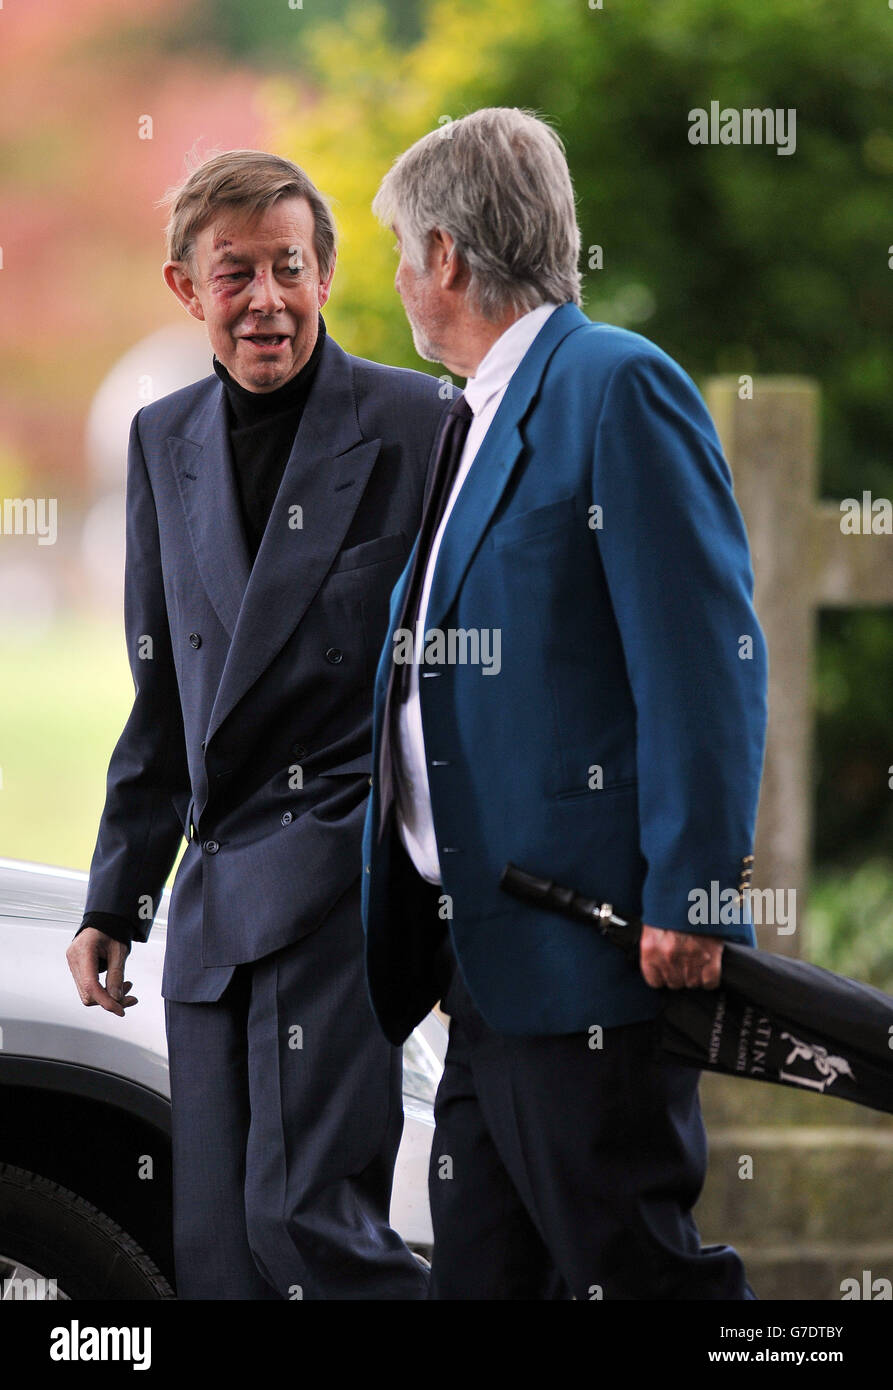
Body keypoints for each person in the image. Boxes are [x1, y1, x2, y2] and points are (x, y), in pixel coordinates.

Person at [361, 108, 769, 1299]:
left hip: (588, 956)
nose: (392, 277)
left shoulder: (614, 385)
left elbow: (701, 659)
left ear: (445, 254)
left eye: (399, 248)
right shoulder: (472, 414)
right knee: (485, 1279)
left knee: (634, 1278)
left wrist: (692, 889)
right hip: (483, 967)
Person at [66, 149, 448, 1300]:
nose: (266, 300)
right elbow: (163, 695)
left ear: (326, 272)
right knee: (221, 1264)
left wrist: (448, 900)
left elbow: (459, 680)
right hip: (212, 910)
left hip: (344, 884)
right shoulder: (159, 439)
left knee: (309, 1229)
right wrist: (114, 898)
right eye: (235, 274)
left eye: (289, 267)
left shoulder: (419, 420)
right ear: (186, 288)